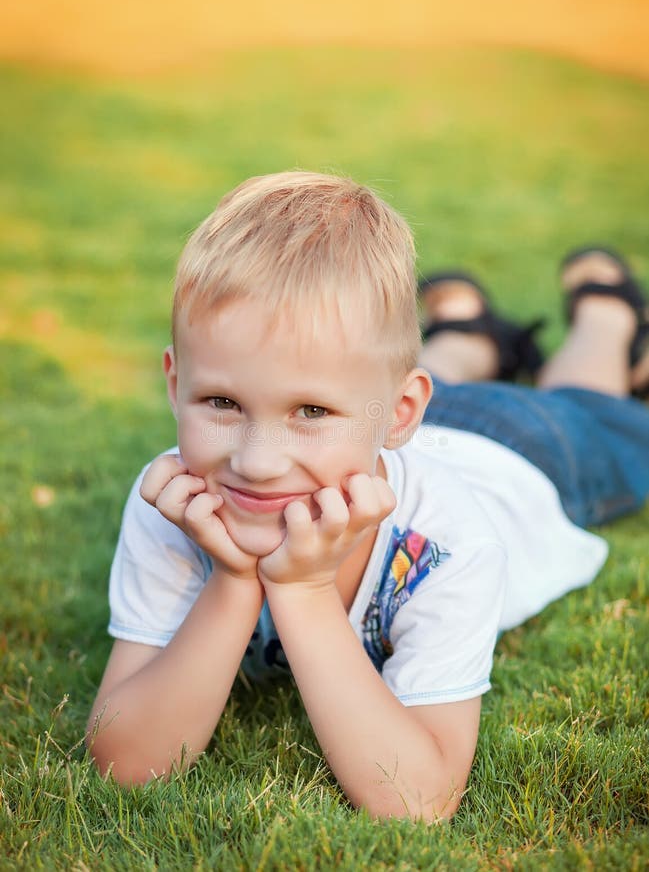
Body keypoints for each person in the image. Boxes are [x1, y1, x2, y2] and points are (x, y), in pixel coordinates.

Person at [86, 171, 649, 822]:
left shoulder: (446, 540)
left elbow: (416, 799)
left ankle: (603, 313)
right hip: (378, 417)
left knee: (591, 405)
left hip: (518, 452)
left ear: (401, 412)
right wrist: (235, 581)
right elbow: (126, 762)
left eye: (309, 409)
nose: (256, 462)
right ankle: (465, 332)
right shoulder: (176, 501)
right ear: (175, 382)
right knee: (374, 374)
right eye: (221, 402)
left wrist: (299, 590)